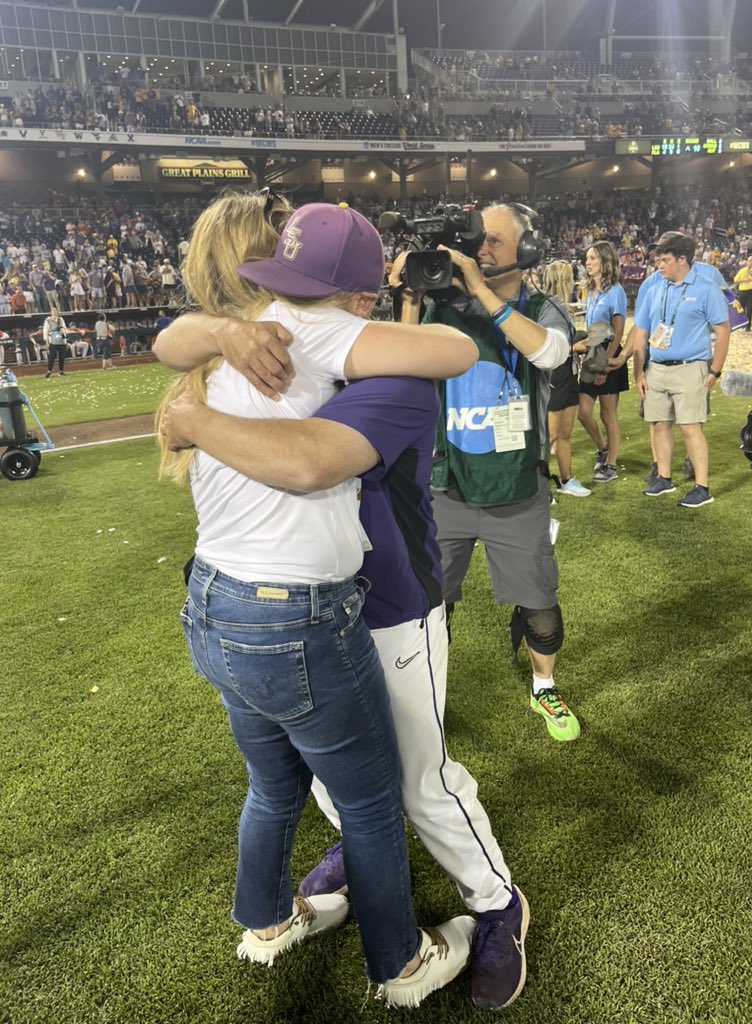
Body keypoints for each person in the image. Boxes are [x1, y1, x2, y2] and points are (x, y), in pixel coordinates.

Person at [154, 194, 478, 1006]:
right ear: (363, 294)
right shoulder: (327, 331)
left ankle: (265, 923)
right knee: (371, 802)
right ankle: (399, 966)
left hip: (211, 604)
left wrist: (193, 410)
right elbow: (457, 347)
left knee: (272, 786)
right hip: (289, 614)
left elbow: (171, 339)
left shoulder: (236, 332)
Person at [391, 203, 581, 742]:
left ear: (526, 249)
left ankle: (544, 686)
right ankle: (427, 694)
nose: (481, 249)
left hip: (517, 487)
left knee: (540, 606)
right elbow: (403, 362)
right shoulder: (440, 308)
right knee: (429, 604)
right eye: (477, 240)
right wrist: (409, 297)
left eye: (494, 241)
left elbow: (549, 355)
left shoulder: (542, 309)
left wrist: (482, 291)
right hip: (446, 487)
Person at [633, 233, 730, 508]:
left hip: (691, 367)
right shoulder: (654, 290)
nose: (659, 266)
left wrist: (715, 371)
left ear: (682, 260)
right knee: (660, 425)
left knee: (690, 428)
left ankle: (702, 487)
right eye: (657, 261)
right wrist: (638, 372)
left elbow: (722, 330)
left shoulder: (705, 288)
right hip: (657, 368)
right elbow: (641, 333)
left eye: (664, 260)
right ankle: (664, 477)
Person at [577, 241, 627, 484]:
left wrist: (606, 365)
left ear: (605, 262)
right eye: (587, 258)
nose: (588, 263)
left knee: (608, 415)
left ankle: (611, 465)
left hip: (607, 354)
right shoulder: (591, 290)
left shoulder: (615, 291)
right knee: (583, 412)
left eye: (593, 258)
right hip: (591, 353)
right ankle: (603, 447)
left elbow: (617, 332)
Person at [542, 260, 590, 497]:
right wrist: (576, 347)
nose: (574, 281)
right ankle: (539, 487)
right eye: (571, 277)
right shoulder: (549, 306)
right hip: (555, 374)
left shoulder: (560, 306)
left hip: (568, 372)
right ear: (564, 280)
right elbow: (546, 346)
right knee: (548, 436)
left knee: (564, 434)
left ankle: (566, 480)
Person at [733, 255, 752, 332]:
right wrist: (744, 280)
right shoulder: (742, 270)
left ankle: (748, 327)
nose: (750, 262)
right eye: (749, 261)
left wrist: (751, 274)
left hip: (751, 291)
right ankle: (741, 325)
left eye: (751, 261)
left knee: (749, 309)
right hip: (742, 291)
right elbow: (735, 280)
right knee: (741, 309)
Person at [43, 306, 67, 377]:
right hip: (53, 340)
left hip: (61, 340)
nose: (54, 312)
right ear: (51, 312)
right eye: (53, 311)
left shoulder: (60, 319)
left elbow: (64, 328)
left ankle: (61, 371)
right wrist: (46, 341)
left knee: (61, 356)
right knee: (52, 356)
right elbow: (45, 331)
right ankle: (49, 371)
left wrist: (63, 331)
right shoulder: (48, 321)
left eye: (55, 310)